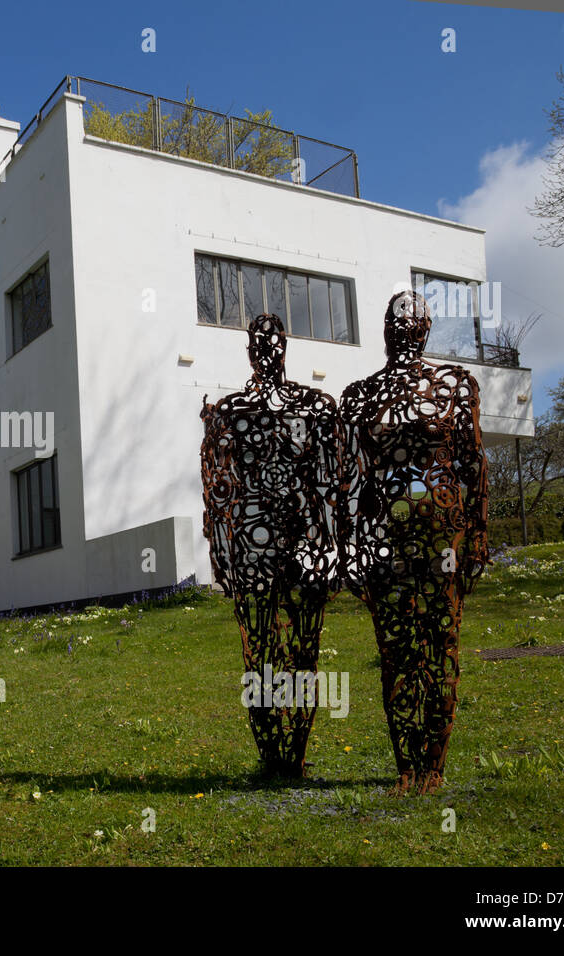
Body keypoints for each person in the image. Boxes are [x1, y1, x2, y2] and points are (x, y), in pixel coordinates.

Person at [338, 291, 489, 794]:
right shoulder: (360, 395)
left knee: (441, 642)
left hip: (442, 534)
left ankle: (435, 766)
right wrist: (348, 548)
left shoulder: (454, 386)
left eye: (412, 321)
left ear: (425, 328)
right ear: (384, 328)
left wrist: (478, 534)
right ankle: (408, 765)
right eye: (395, 322)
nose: (403, 331)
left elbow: (473, 465)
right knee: (398, 649)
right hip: (386, 540)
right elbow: (348, 482)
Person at [200, 313, 345, 776]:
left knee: (302, 651)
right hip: (252, 552)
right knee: (260, 651)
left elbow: (331, 482)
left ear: (284, 348)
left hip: (300, 549)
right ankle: (271, 754)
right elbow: (218, 490)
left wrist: (327, 548)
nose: (266, 351)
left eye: (272, 343)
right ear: (249, 351)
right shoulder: (229, 413)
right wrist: (224, 559)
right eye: (259, 344)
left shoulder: (315, 406)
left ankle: (294, 753)